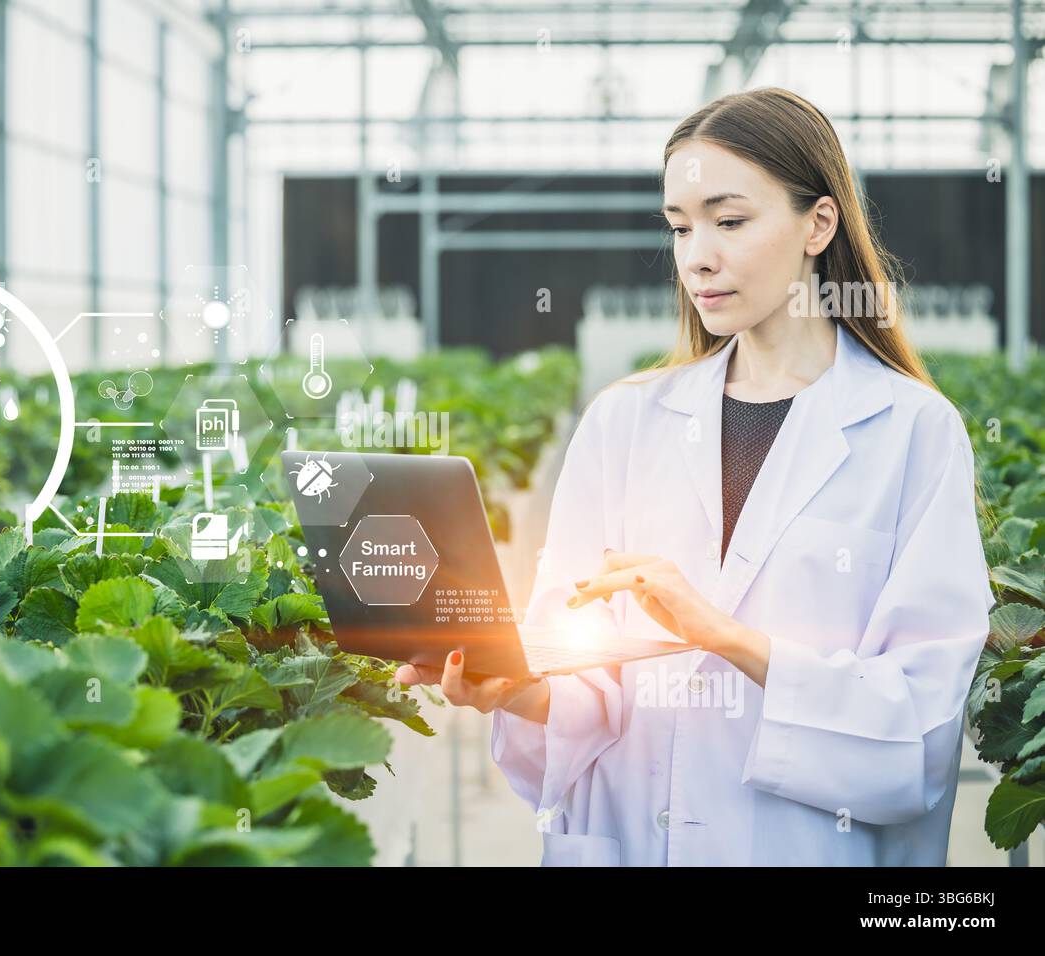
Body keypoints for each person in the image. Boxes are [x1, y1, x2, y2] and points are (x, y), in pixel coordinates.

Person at [395, 87, 995, 866]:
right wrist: (517, 688)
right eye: (680, 227)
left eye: (730, 220)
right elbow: (581, 675)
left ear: (819, 224)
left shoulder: (914, 432)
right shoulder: (624, 422)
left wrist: (723, 636)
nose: (696, 255)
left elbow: (918, 724)